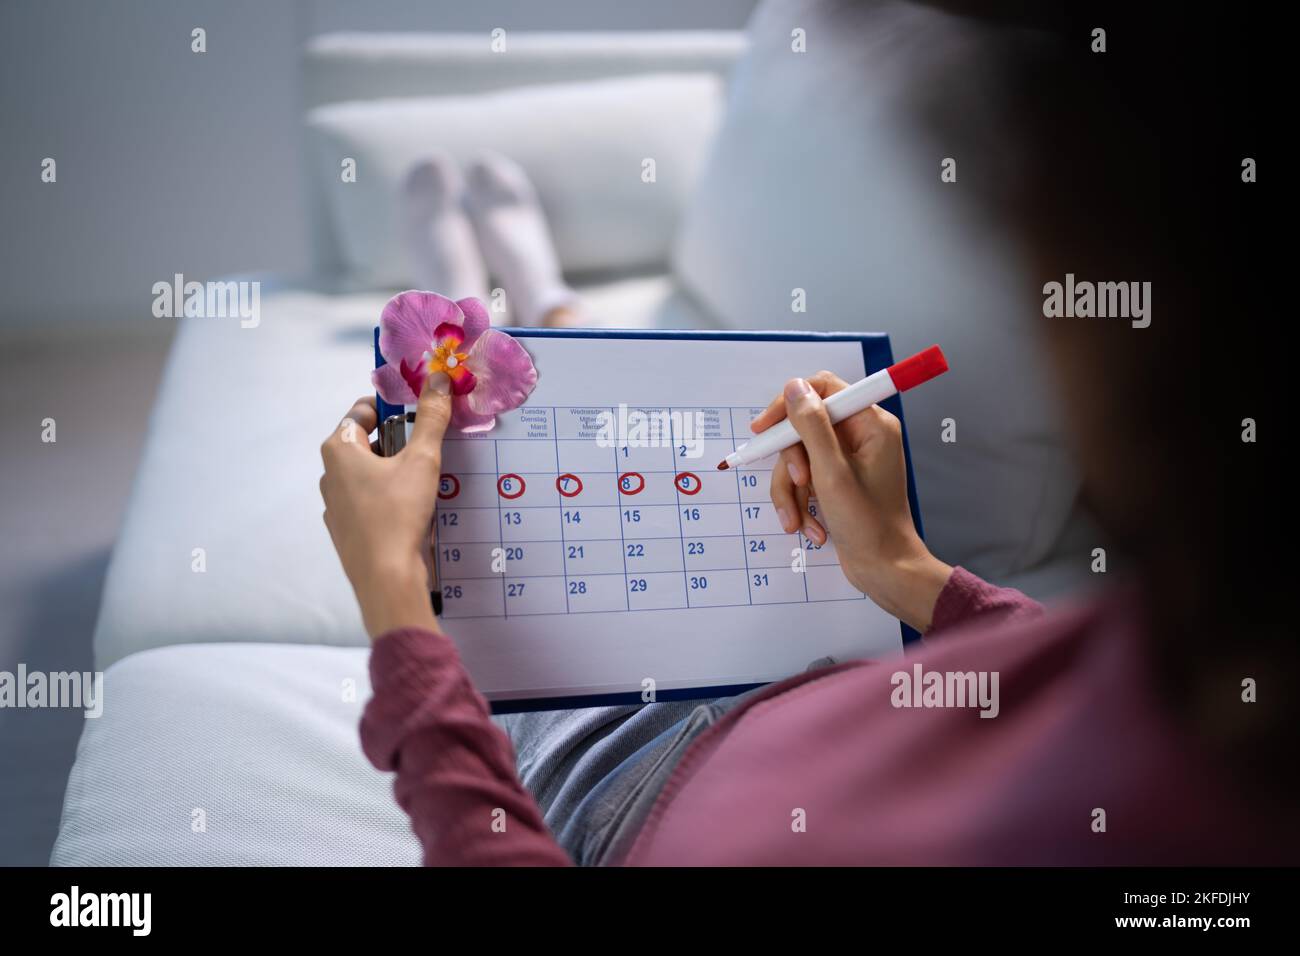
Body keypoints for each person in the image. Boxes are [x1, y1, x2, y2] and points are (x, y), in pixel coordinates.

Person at [318, 3, 1292, 865]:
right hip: (807, 678)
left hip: (619, 786)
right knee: (620, 445)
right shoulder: (1197, 650)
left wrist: (398, 604)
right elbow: (1043, 674)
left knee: (516, 544)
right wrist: (909, 568)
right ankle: (540, 300)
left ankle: (488, 292)